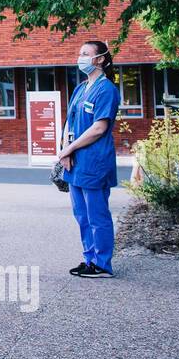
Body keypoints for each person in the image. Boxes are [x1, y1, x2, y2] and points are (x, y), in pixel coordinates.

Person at [58, 40, 121, 279]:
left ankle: (102, 263)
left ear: (101, 59)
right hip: (74, 160)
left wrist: (70, 149)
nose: (80, 57)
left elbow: (99, 128)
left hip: (94, 161)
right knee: (81, 214)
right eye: (79, 52)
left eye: (86, 53)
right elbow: (70, 122)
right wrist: (66, 150)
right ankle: (89, 258)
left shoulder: (107, 90)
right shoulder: (81, 87)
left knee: (97, 214)